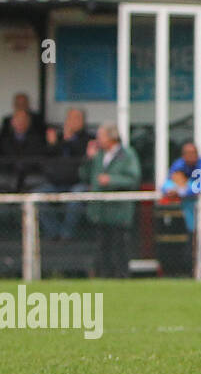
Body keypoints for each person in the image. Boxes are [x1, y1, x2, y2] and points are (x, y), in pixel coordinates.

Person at [79, 124, 141, 278]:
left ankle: (122, 276)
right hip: (100, 210)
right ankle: (103, 276)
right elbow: (84, 176)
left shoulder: (127, 155)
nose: (97, 140)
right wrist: (88, 159)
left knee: (120, 246)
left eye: (101, 136)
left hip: (119, 211)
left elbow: (133, 179)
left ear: (112, 138)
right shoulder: (98, 155)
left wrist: (111, 180)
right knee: (102, 246)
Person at [35, 108, 92, 239]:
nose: (72, 122)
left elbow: (81, 154)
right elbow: (46, 156)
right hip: (56, 182)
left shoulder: (88, 139)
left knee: (76, 198)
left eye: (77, 118)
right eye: (70, 118)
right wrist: (53, 144)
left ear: (83, 121)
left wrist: (69, 140)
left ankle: (67, 234)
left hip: (77, 182)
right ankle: (54, 233)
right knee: (38, 196)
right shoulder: (58, 138)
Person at [0, 107, 48, 191]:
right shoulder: (4, 140)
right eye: (18, 119)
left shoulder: (37, 140)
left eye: (23, 119)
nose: (20, 122)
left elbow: (40, 160)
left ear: (28, 122)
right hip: (8, 173)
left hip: (30, 173)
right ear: (12, 122)